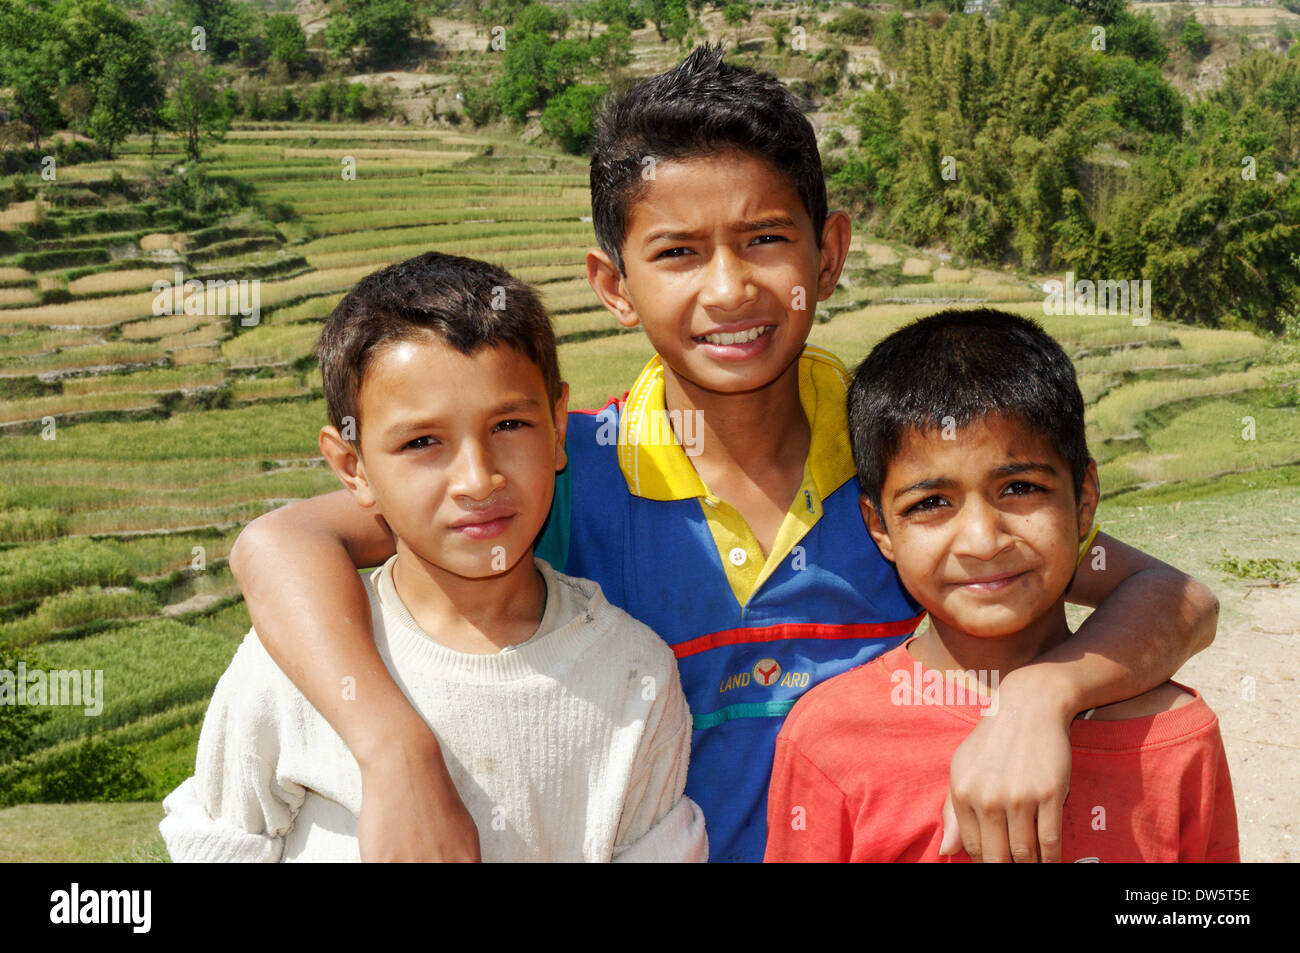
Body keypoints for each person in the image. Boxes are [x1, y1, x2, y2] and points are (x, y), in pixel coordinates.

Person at [228, 47, 1219, 863]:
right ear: (612, 285)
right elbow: (278, 544)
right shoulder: (554, 471)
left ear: (827, 254)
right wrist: (393, 746)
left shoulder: (907, 478)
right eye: (677, 252)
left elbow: (1173, 599)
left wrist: (1046, 689)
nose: (730, 288)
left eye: (764, 239)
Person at [160, 251, 707, 862]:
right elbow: (217, 847)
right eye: (422, 442)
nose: (478, 479)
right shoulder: (294, 663)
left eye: (509, 426)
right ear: (353, 465)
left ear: (558, 428)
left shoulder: (636, 676)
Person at [765, 309, 1238, 862]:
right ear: (878, 527)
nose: (983, 541)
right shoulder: (832, 738)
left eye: (1019, 488)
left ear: (1084, 500)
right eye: (930, 503)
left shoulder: (1176, 738)